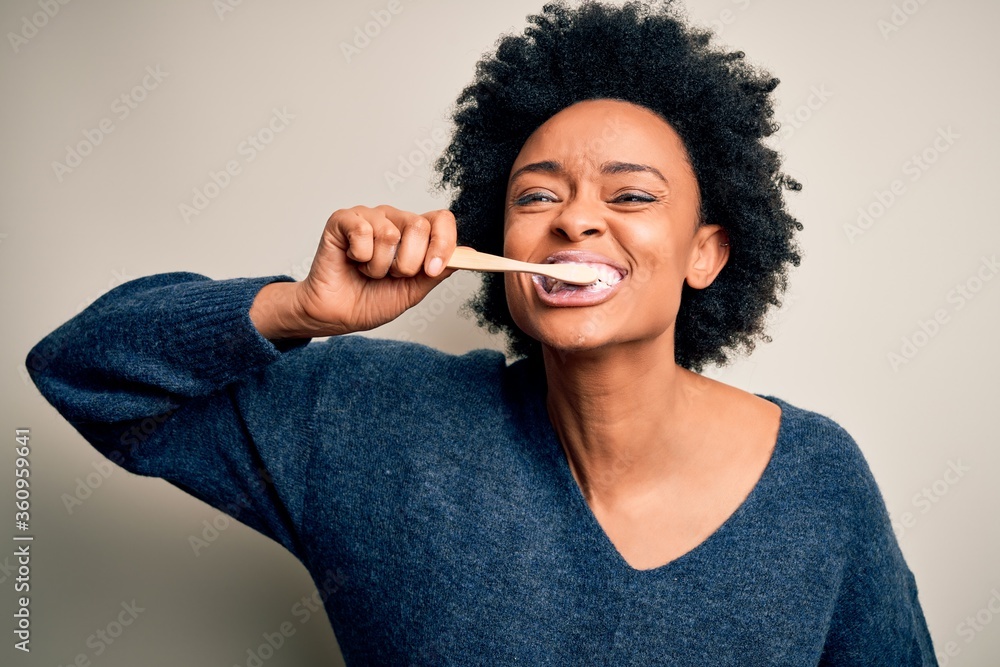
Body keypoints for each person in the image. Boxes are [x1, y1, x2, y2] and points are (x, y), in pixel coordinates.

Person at [27, 1, 937, 664]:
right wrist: (298, 309)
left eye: (629, 195)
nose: (576, 220)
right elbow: (81, 369)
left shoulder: (818, 479)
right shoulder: (369, 421)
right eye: (537, 194)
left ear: (706, 251)